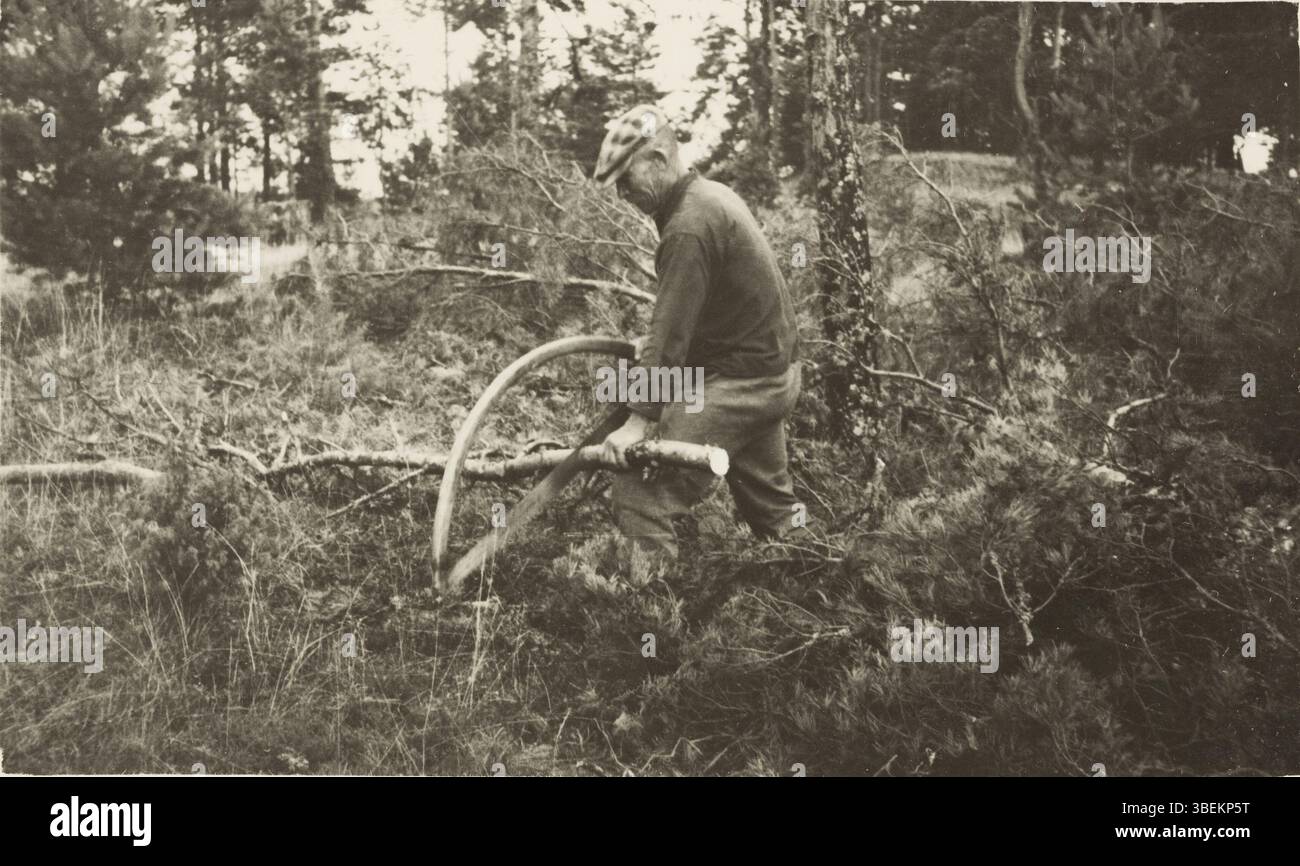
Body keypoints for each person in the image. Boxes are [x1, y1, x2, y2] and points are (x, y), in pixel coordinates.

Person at [592, 104, 803, 566]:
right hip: (771, 376)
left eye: (626, 179)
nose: (622, 193)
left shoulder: (689, 224)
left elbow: (669, 332)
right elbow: (696, 316)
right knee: (776, 513)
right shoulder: (709, 196)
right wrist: (657, 358)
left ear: (659, 161)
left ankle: (651, 619)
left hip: (742, 385)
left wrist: (637, 421)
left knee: (639, 493)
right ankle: (821, 592)